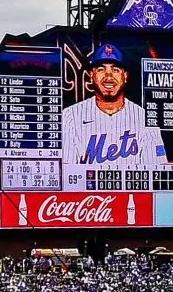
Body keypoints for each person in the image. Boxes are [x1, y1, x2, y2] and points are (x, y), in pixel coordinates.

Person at [63, 40, 165, 186]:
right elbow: (68, 177)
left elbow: (156, 174)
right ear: (92, 75)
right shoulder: (70, 116)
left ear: (125, 76)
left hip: (134, 200)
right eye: (101, 69)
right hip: (89, 202)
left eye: (115, 70)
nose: (109, 76)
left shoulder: (145, 118)